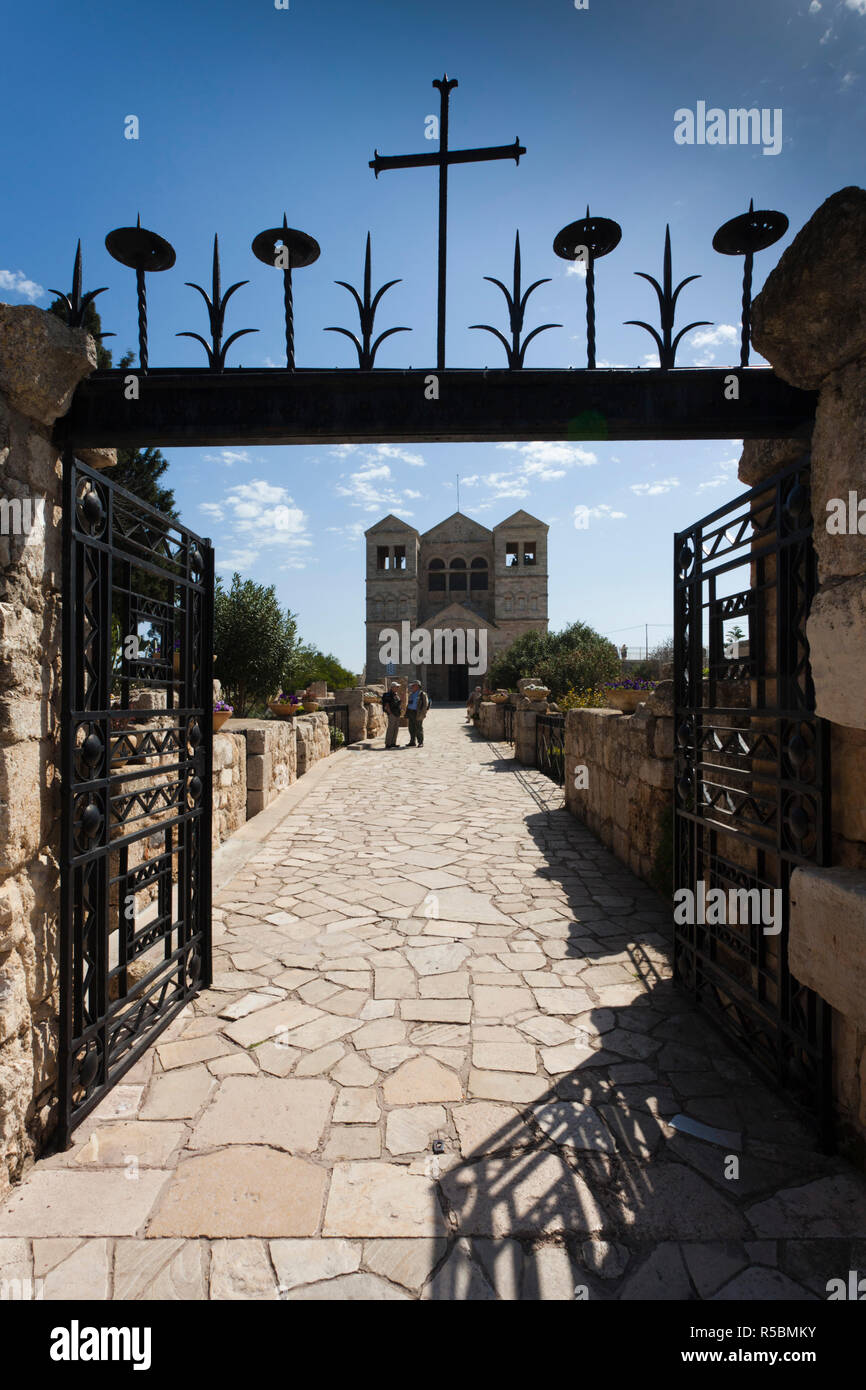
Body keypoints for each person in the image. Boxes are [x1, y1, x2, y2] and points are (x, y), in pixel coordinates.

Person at [406, 679, 429, 747]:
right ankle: (412, 741)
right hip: (411, 712)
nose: (412, 687)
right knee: (411, 727)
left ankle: (420, 742)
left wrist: (423, 714)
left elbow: (425, 705)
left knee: (418, 728)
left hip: (418, 713)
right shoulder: (411, 694)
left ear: (417, 686)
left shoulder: (422, 694)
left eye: (413, 686)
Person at [382, 681, 402, 748]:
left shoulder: (395, 694)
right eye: (397, 687)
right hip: (392, 714)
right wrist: (390, 713)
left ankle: (393, 743)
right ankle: (388, 743)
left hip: (397, 713)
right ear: (393, 687)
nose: (398, 688)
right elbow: (387, 705)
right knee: (390, 729)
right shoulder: (388, 694)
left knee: (395, 729)